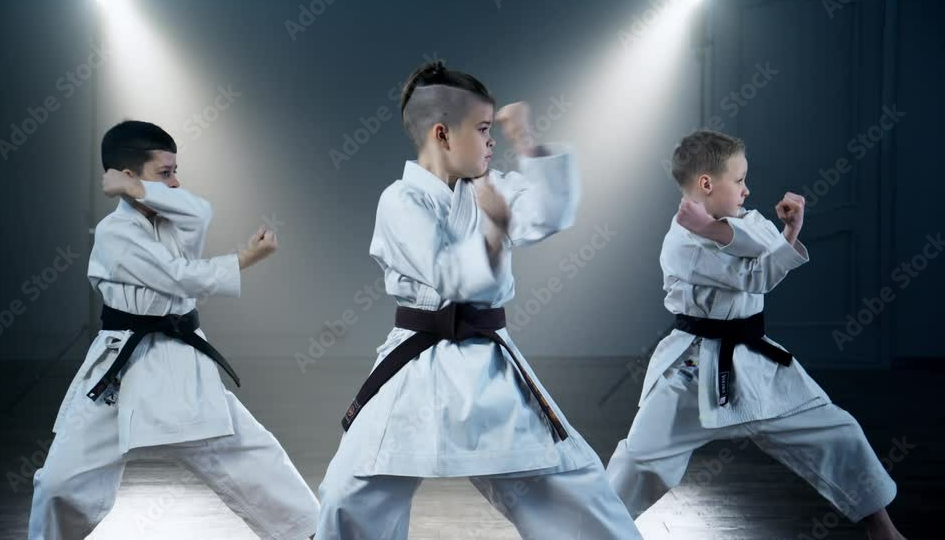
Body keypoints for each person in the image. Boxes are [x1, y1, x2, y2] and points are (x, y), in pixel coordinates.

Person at [315, 62, 641, 540]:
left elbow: (549, 215)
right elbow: (448, 275)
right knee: (349, 496)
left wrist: (529, 146)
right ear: (443, 134)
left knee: (572, 485)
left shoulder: (491, 188)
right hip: (413, 365)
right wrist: (493, 231)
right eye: (484, 130)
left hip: (489, 366)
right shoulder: (400, 200)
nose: (493, 142)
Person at [606, 129, 905, 540]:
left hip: (756, 361)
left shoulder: (741, 220)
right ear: (707, 184)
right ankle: (591, 533)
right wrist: (744, 237)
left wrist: (778, 232)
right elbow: (758, 275)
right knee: (639, 462)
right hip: (692, 370)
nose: (748, 190)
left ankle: (884, 530)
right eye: (740, 179)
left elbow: (765, 242)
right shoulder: (681, 241)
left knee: (838, 432)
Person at [28, 120, 319, 540]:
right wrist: (244, 259)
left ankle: (312, 534)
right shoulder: (115, 233)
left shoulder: (173, 221)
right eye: (165, 173)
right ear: (127, 176)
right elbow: (179, 278)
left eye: (175, 171)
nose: (176, 183)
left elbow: (201, 211)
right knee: (59, 483)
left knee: (256, 455)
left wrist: (138, 188)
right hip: (121, 370)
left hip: (182, 365)